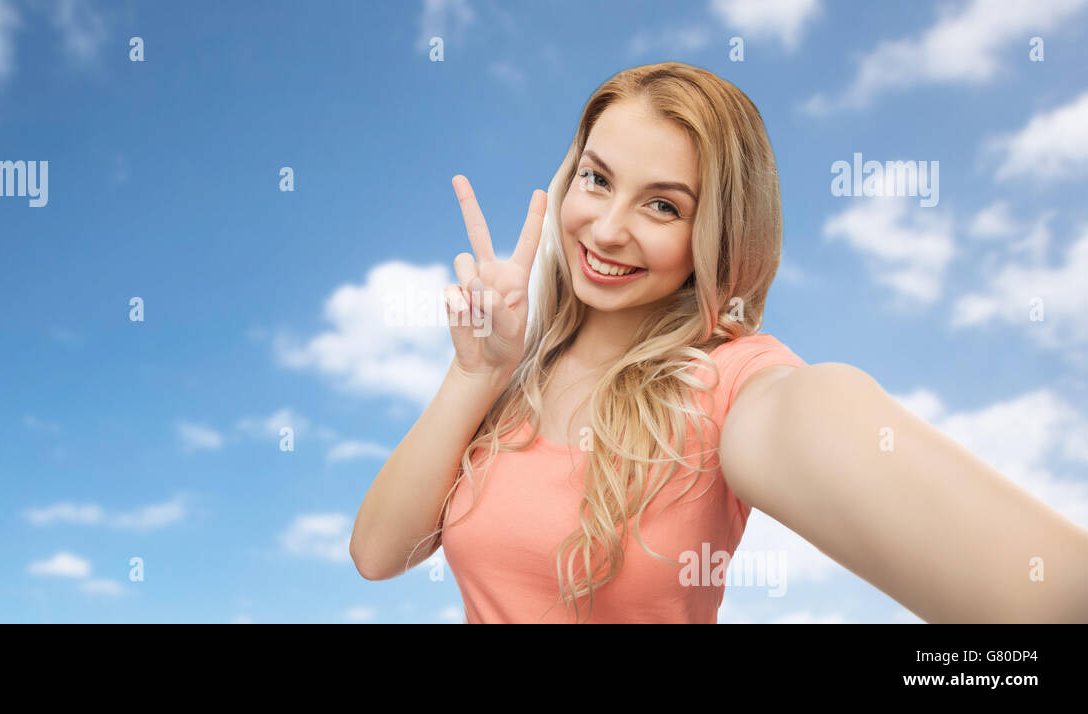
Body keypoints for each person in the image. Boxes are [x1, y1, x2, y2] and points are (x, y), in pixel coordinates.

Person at [348, 62, 1088, 624]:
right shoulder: (519, 378)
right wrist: (477, 371)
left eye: (663, 205)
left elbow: (1045, 602)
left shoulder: (735, 386)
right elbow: (378, 556)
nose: (607, 230)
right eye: (597, 180)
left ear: (721, 233)